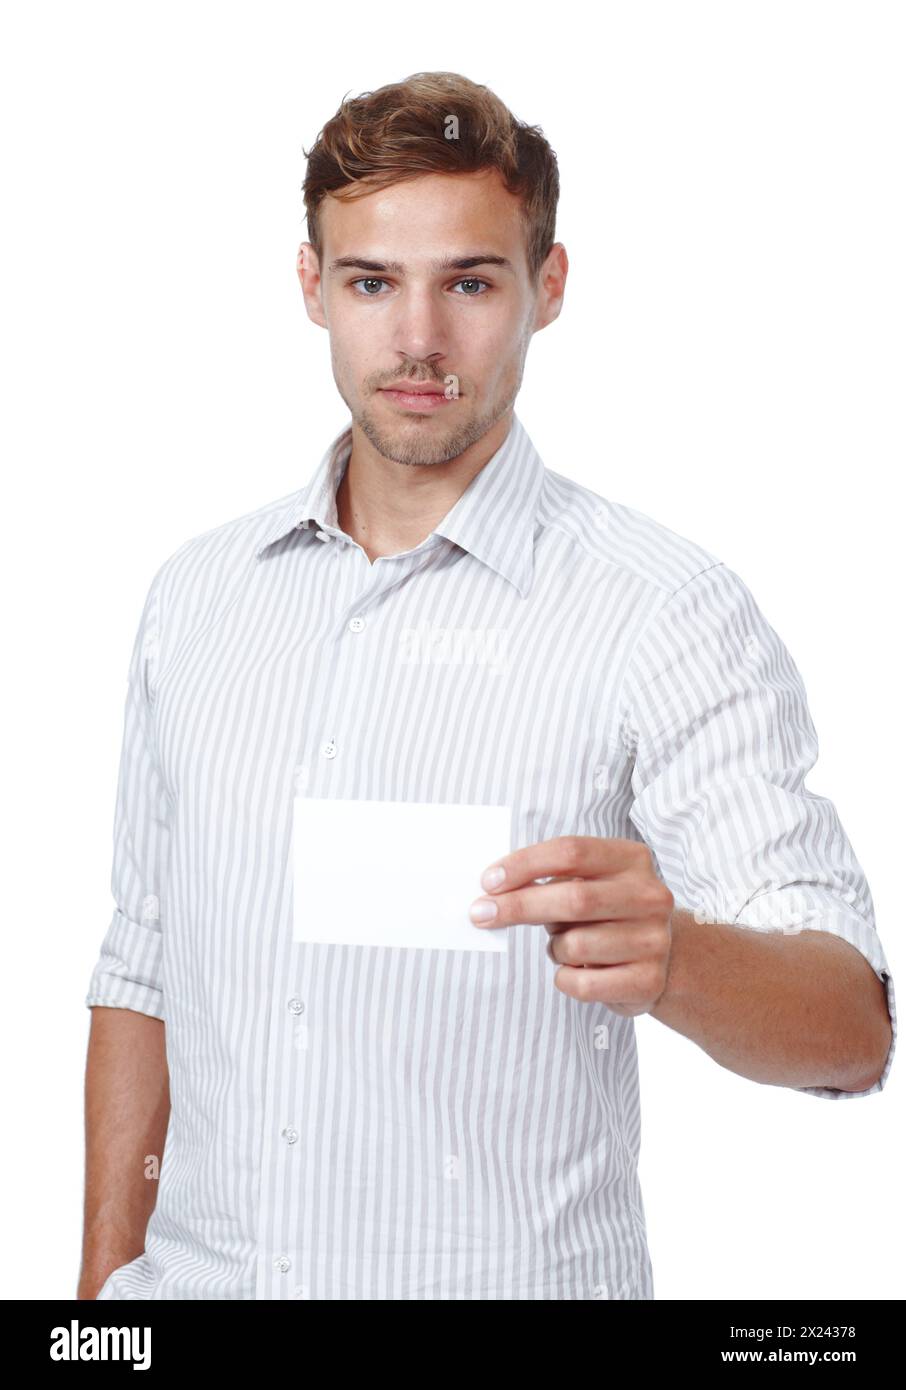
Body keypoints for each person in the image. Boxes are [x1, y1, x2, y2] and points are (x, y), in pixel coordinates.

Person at [79, 70, 895, 1302]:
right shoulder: (196, 599)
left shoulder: (662, 610)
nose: (418, 338)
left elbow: (853, 1028)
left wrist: (674, 956)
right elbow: (141, 967)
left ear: (547, 289)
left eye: (468, 282)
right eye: (372, 282)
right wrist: (98, 1303)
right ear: (311, 287)